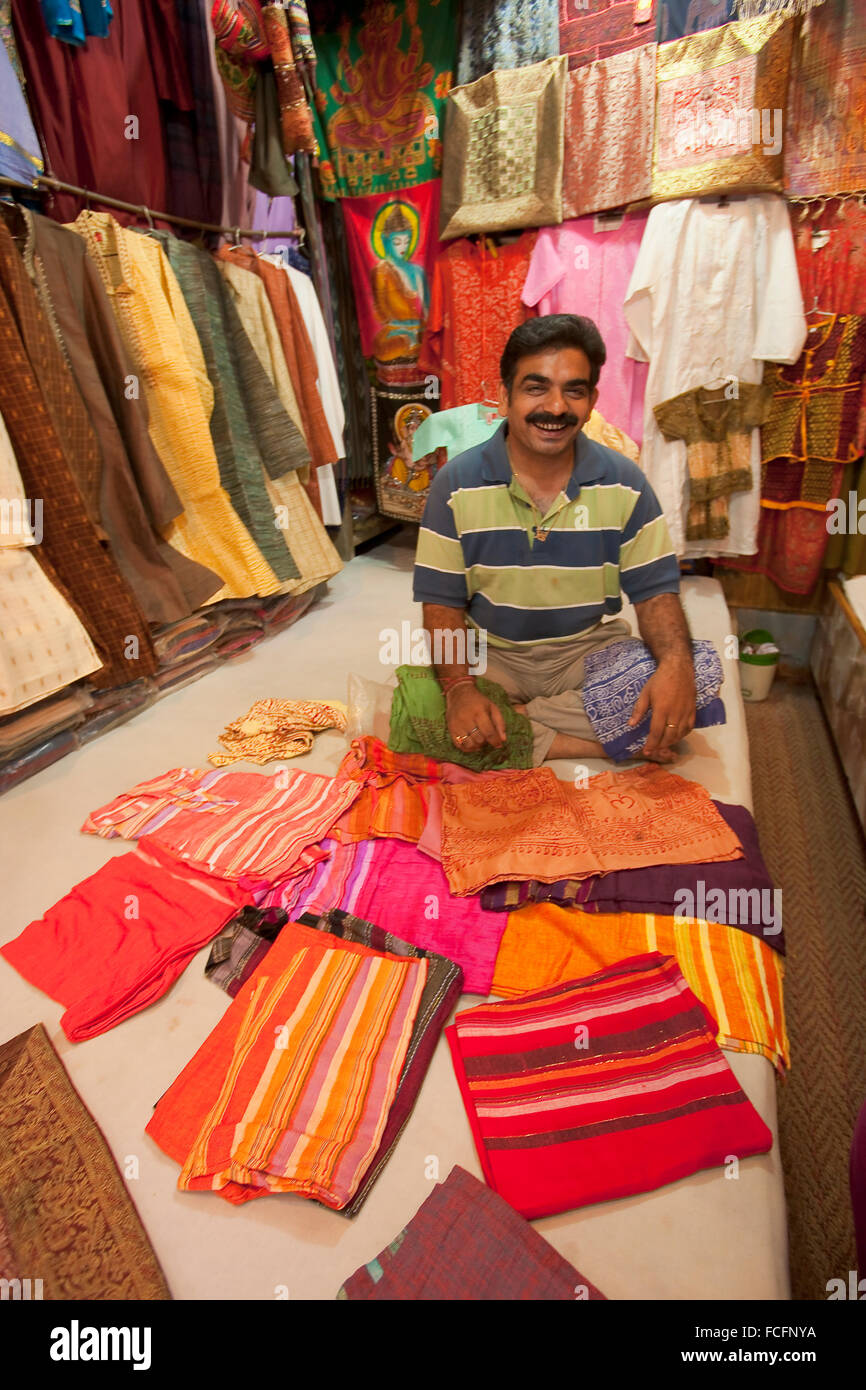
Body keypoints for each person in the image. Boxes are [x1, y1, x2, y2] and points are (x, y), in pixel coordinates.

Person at [412, 314, 697, 764]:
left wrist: (678, 669)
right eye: (536, 387)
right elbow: (441, 605)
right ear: (505, 396)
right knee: (416, 704)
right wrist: (462, 689)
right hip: (494, 654)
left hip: (584, 654)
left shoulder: (624, 480)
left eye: (574, 390)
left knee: (697, 673)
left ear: (592, 400)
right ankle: (580, 740)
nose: (557, 407)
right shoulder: (456, 483)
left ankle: (516, 727)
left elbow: (656, 592)